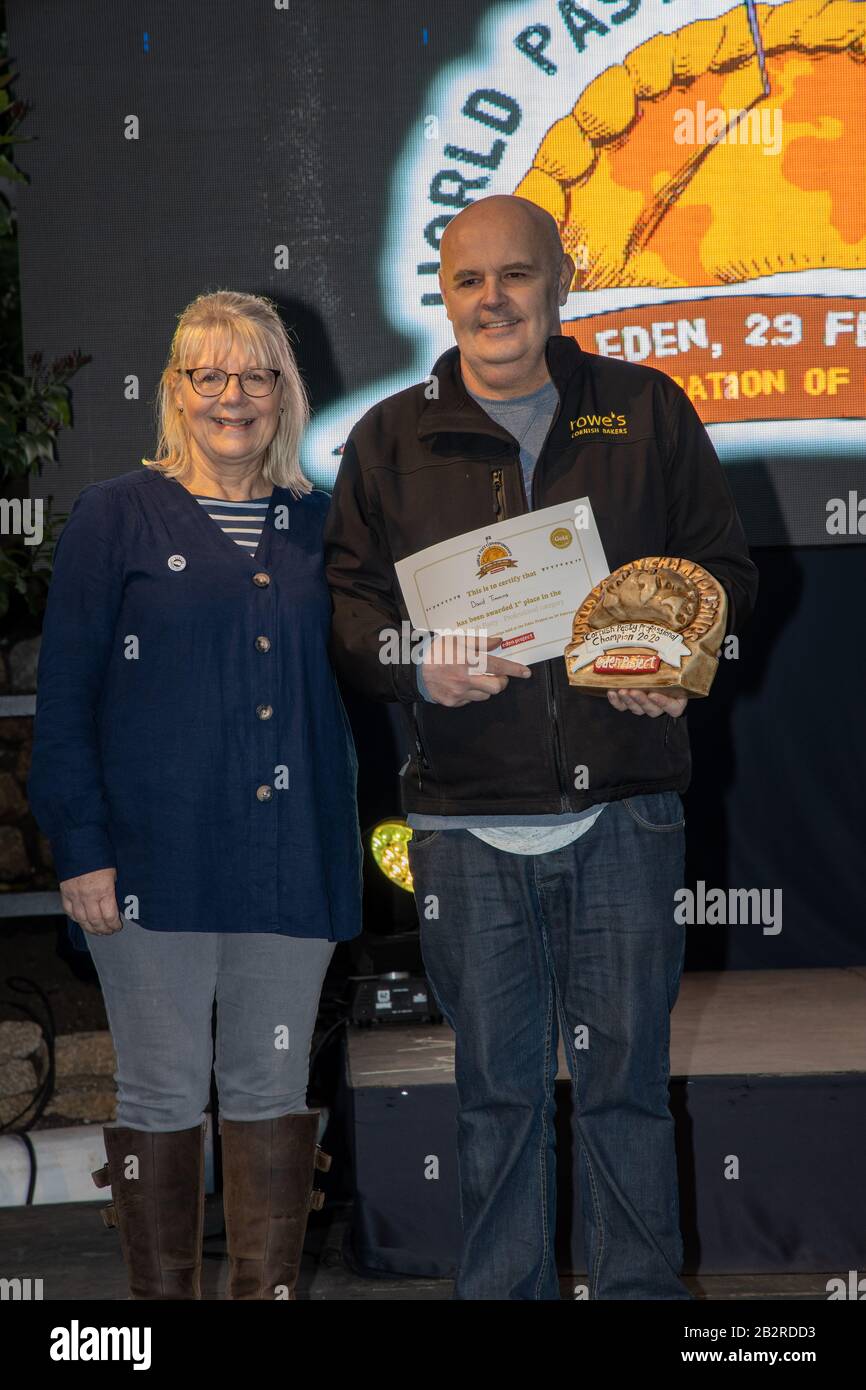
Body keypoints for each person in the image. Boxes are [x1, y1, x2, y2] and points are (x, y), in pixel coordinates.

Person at [323, 194, 758, 1299]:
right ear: (444, 293)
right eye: (468, 280)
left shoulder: (644, 409)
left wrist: (683, 659)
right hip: (465, 827)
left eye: (513, 276)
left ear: (556, 285)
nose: (491, 300)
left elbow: (722, 569)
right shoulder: (387, 437)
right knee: (495, 1098)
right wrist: (416, 664)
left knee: (623, 1090)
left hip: (623, 810)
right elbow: (348, 612)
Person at [28, 290, 363, 1300]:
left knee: (270, 1086)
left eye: (256, 373)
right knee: (162, 1090)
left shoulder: (321, 523)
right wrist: (81, 848)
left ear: (282, 392)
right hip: (150, 869)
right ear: (176, 390)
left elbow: (380, 661)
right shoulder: (111, 516)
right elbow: (63, 700)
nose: (233, 395)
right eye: (208, 373)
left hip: (286, 867)